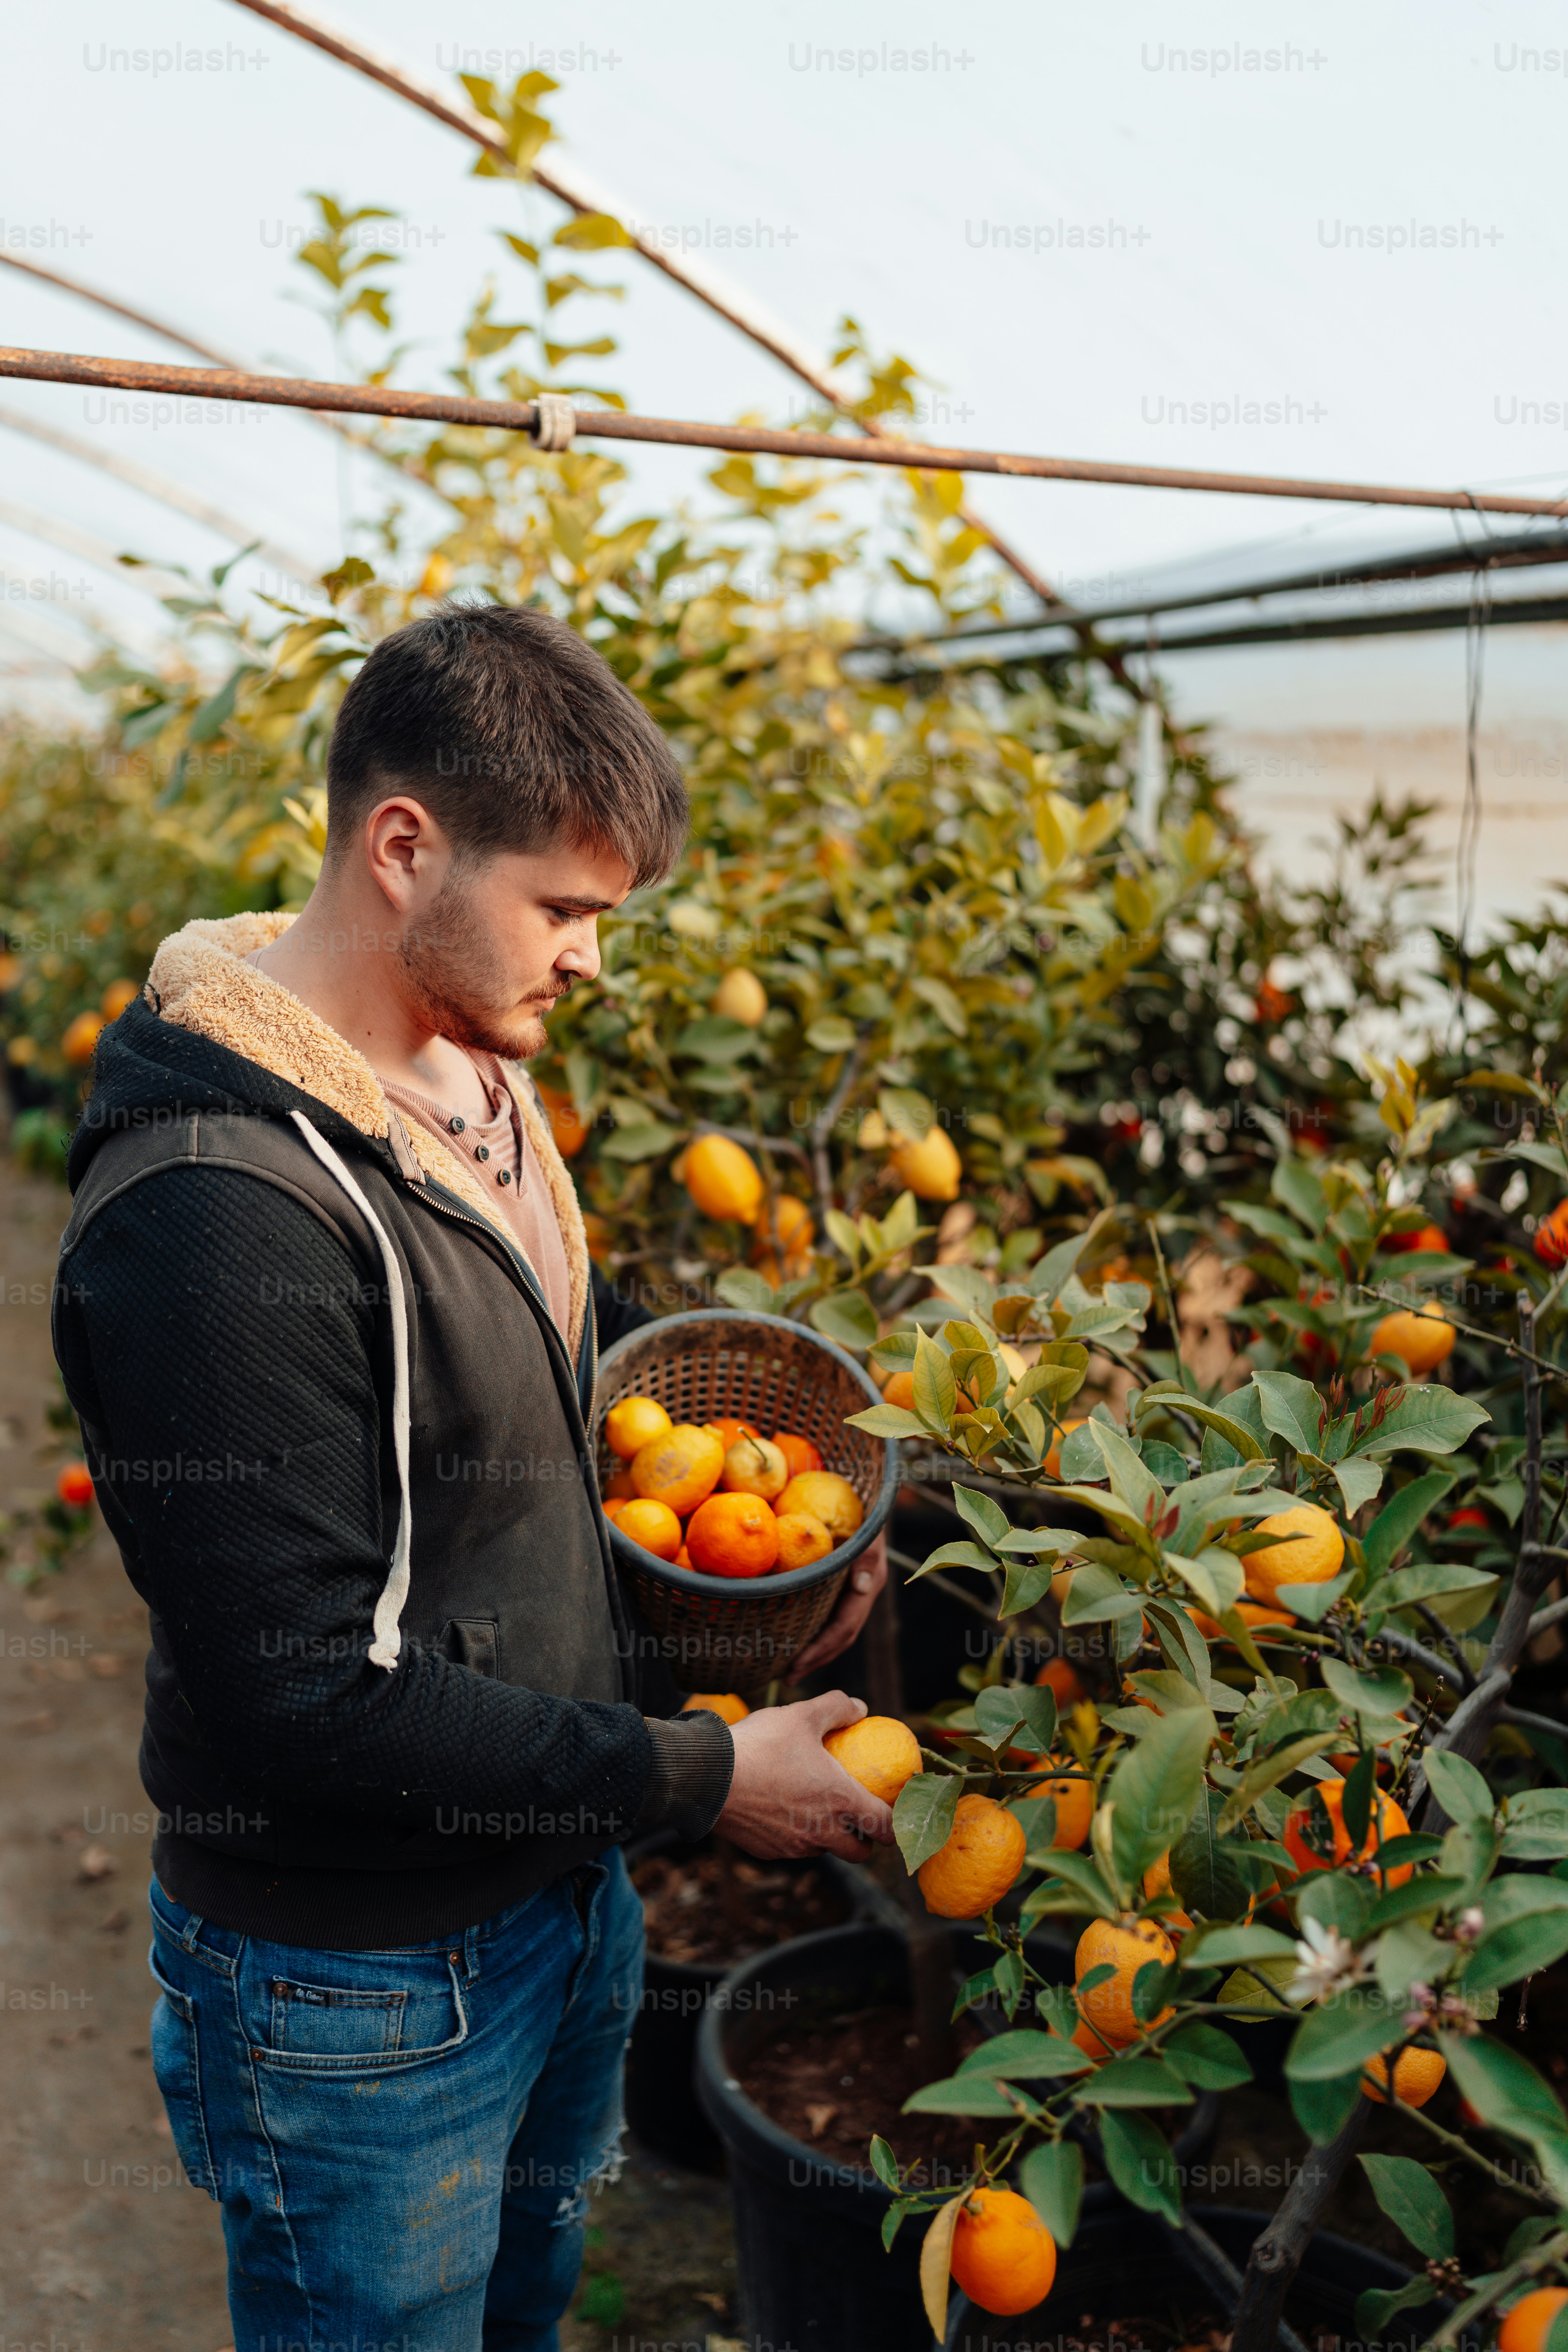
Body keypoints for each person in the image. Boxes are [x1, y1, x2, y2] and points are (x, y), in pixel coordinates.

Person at [52, 602, 892, 2348]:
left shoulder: (463, 1071)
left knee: (526, 2315)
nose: (592, 961)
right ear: (404, 846)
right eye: (566, 910)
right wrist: (698, 1775)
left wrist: (757, 1568)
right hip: (358, 1996)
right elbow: (302, 1699)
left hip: (556, 1900)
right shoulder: (213, 1214)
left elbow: (546, 1374)